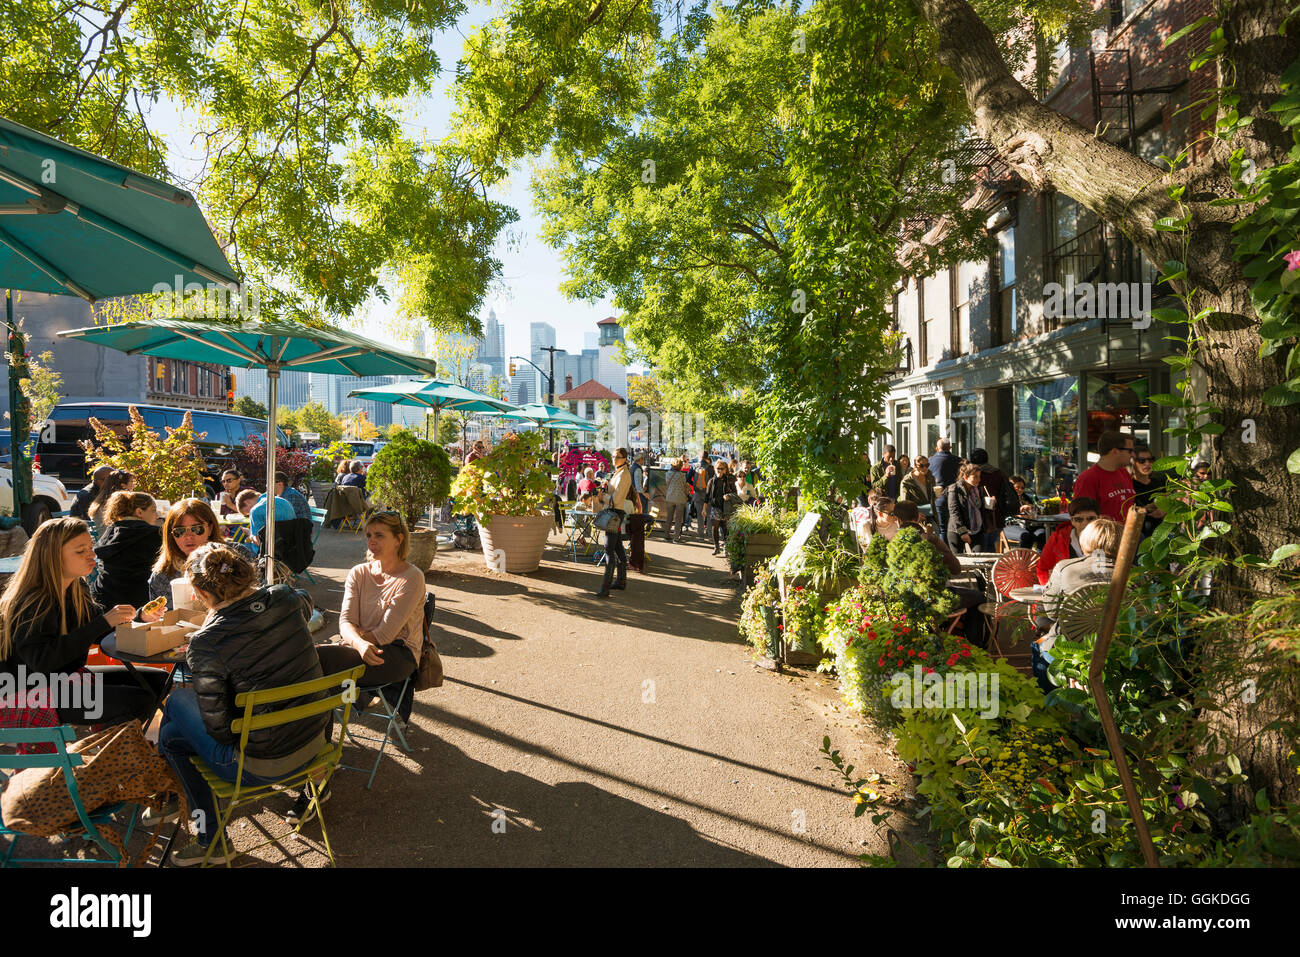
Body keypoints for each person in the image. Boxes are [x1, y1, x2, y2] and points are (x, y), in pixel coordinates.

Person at [154, 543, 327, 865]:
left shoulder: (207, 643)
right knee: (172, 736)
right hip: (313, 741)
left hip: (262, 764)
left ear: (200, 594)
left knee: (176, 703)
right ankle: (190, 819)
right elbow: (303, 602)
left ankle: (207, 834)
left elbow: (219, 731)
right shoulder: (287, 598)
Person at [0, 517, 167, 728]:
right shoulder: (33, 601)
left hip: (63, 679)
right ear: (52, 557)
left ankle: (111, 749)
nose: (92, 554)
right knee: (138, 700)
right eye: (80, 551)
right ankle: (112, 756)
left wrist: (139, 616)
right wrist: (103, 622)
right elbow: (42, 662)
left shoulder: (76, 587)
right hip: (28, 691)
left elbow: (96, 629)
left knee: (158, 680)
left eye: (90, 546)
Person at [310, 512, 426, 816]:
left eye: (380, 536)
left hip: (397, 655)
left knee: (314, 662)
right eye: (369, 535)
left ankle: (312, 765)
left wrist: (355, 639)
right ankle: (315, 767)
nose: (372, 542)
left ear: (399, 539)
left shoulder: (411, 576)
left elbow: (387, 634)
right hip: (358, 649)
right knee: (316, 676)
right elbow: (345, 621)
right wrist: (359, 643)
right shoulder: (359, 572)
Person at [1032, 517, 1120, 692]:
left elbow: (1052, 612)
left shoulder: (1065, 568)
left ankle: (1050, 706)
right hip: (1118, 649)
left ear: (1085, 541)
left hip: (1070, 649)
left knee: (1038, 647)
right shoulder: (1136, 573)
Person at [893, 502, 986, 648]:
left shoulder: (891, 543)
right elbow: (956, 569)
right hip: (936, 598)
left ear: (897, 520)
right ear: (918, 517)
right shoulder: (930, 539)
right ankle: (975, 647)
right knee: (979, 597)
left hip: (906, 602)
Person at [149, 499, 250, 610]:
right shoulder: (163, 574)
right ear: (171, 535)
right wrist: (145, 616)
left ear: (210, 529)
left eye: (196, 529)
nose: (188, 536)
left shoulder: (237, 554)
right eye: (180, 531)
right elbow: (160, 619)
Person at [90, 492, 161, 610]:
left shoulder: (111, 531)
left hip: (104, 600)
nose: (157, 515)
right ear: (139, 512)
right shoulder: (153, 534)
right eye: (153, 510)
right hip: (139, 605)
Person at [1072, 430, 1135, 523]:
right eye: (1130, 451)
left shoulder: (1124, 473)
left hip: (1127, 535)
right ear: (1115, 451)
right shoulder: (1088, 479)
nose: (1133, 454)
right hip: (1103, 536)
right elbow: (1080, 518)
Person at [1036, 496, 1100, 585]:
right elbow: (1043, 569)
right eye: (1079, 519)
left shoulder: (1107, 538)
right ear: (1072, 520)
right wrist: (1052, 591)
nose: (1085, 523)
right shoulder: (1058, 538)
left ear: (1099, 519)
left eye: (1091, 518)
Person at [596, 448, 633, 598]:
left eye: (617, 457)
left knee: (608, 550)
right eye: (613, 456)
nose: (614, 459)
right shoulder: (619, 472)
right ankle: (621, 581)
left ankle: (605, 588)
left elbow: (616, 499)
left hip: (614, 513)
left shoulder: (624, 474)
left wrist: (602, 496)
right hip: (615, 513)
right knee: (617, 548)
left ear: (624, 458)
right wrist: (606, 488)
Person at [970, 448, 1014, 552]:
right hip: (997, 516)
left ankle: (983, 568)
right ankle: (991, 568)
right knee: (991, 546)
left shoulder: (974, 475)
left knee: (981, 548)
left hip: (980, 518)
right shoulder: (999, 473)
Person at [947, 463, 986, 553]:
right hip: (956, 529)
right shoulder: (954, 488)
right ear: (965, 477)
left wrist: (990, 503)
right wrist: (962, 532)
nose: (978, 480)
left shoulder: (978, 489)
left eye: (979, 476)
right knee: (958, 561)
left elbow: (980, 509)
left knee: (981, 558)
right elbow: (954, 512)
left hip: (976, 529)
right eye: (975, 477)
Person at [1130, 444, 1167, 537]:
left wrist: (1163, 510)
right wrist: (1145, 509)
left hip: (1160, 533)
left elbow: (1169, 505)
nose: (1147, 464)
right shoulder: (1129, 485)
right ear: (1133, 463)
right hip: (1137, 535)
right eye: (1142, 461)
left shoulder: (1159, 483)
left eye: (1150, 460)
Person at [249, 480, 297, 550]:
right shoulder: (284, 501)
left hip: (272, 552)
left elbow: (259, 542)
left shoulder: (255, 510)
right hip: (295, 547)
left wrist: (250, 535)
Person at [1001, 475, 1046, 551]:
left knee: (1043, 534)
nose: (1020, 490)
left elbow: (1035, 510)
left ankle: (1039, 559)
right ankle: (1023, 560)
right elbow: (1004, 514)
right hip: (1011, 525)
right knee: (1026, 536)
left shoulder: (1026, 497)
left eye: (1022, 488)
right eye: (1017, 487)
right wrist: (1019, 511)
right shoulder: (1005, 498)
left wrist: (1034, 511)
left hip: (1028, 525)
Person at [929, 438, 961, 542]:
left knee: (942, 528)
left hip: (938, 498)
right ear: (950, 448)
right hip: (956, 498)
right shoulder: (959, 461)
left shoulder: (930, 461)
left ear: (937, 448)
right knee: (957, 526)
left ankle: (944, 552)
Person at [706, 459, 739, 556]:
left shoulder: (729, 480)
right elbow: (707, 496)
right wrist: (704, 508)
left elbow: (735, 493)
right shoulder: (711, 481)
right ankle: (716, 547)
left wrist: (729, 496)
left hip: (726, 507)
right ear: (714, 469)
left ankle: (726, 548)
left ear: (725, 470)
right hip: (715, 507)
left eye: (721, 468)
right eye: (717, 468)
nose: (719, 470)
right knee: (714, 527)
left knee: (725, 529)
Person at [662, 458, 690, 542]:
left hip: (670, 497)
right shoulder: (682, 475)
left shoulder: (667, 474)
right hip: (680, 498)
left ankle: (666, 535)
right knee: (678, 518)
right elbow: (684, 487)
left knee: (669, 517)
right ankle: (676, 537)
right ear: (680, 466)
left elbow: (667, 484)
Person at [693, 453, 714, 538]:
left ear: (700, 457)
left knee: (699, 515)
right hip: (708, 494)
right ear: (707, 457)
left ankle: (700, 535)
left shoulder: (695, 466)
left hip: (697, 493)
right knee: (709, 514)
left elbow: (688, 478)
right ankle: (709, 534)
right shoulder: (710, 468)